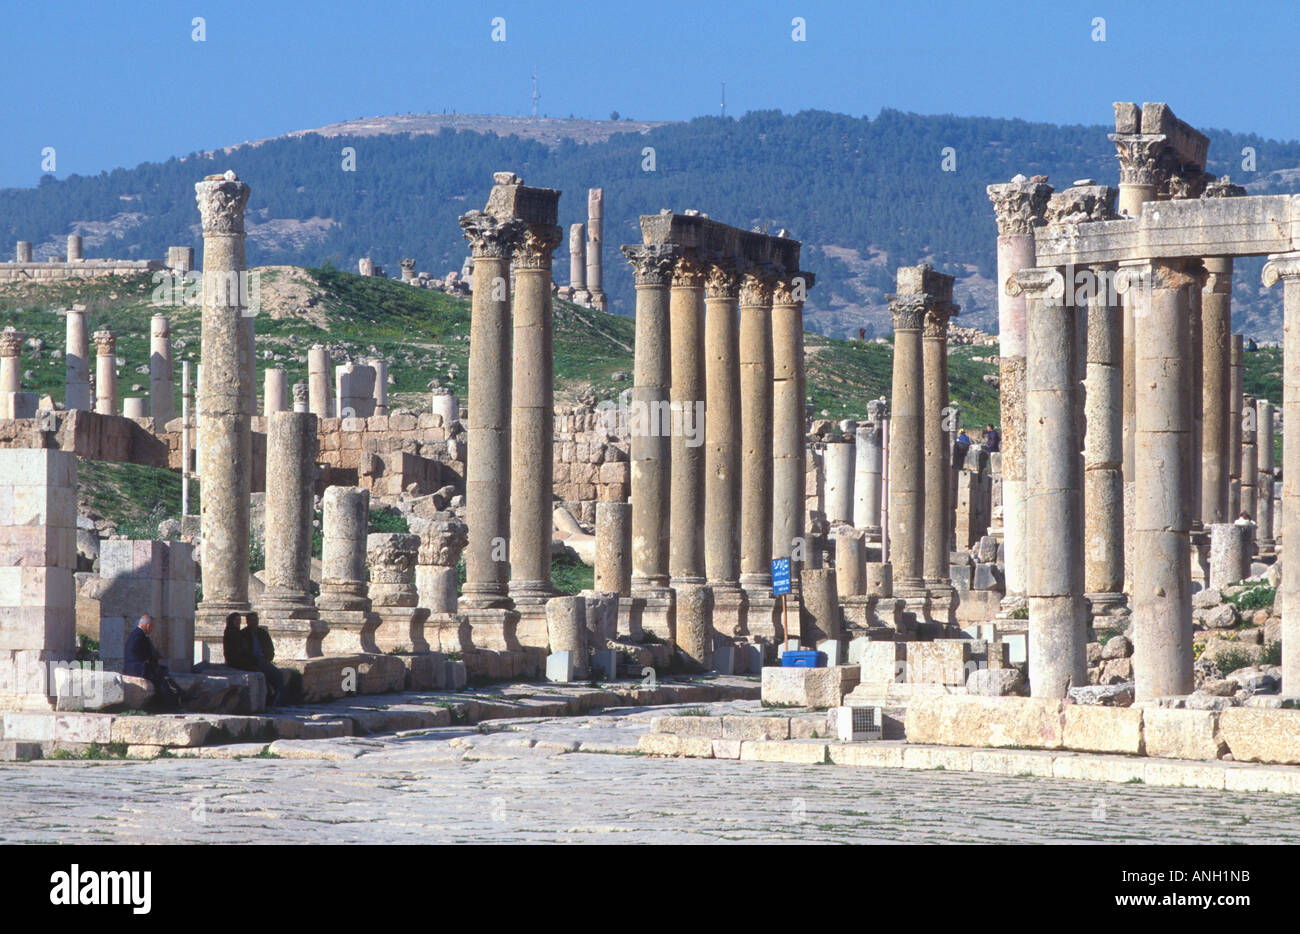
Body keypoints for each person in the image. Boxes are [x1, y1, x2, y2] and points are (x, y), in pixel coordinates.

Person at [123, 615, 183, 711]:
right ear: (148, 626)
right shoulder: (140, 636)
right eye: (152, 627)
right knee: (161, 678)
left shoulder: (136, 634)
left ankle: (180, 695)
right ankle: (170, 704)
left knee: (162, 673)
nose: (152, 630)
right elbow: (148, 655)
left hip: (135, 667)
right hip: (138, 668)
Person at [241, 612, 285, 708]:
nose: (255, 622)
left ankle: (278, 700)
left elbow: (270, 648)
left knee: (279, 675)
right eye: (252, 620)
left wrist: (268, 659)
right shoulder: (243, 634)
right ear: (247, 622)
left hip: (264, 660)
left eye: (256, 620)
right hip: (252, 662)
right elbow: (244, 652)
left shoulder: (262, 633)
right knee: (264, 677)